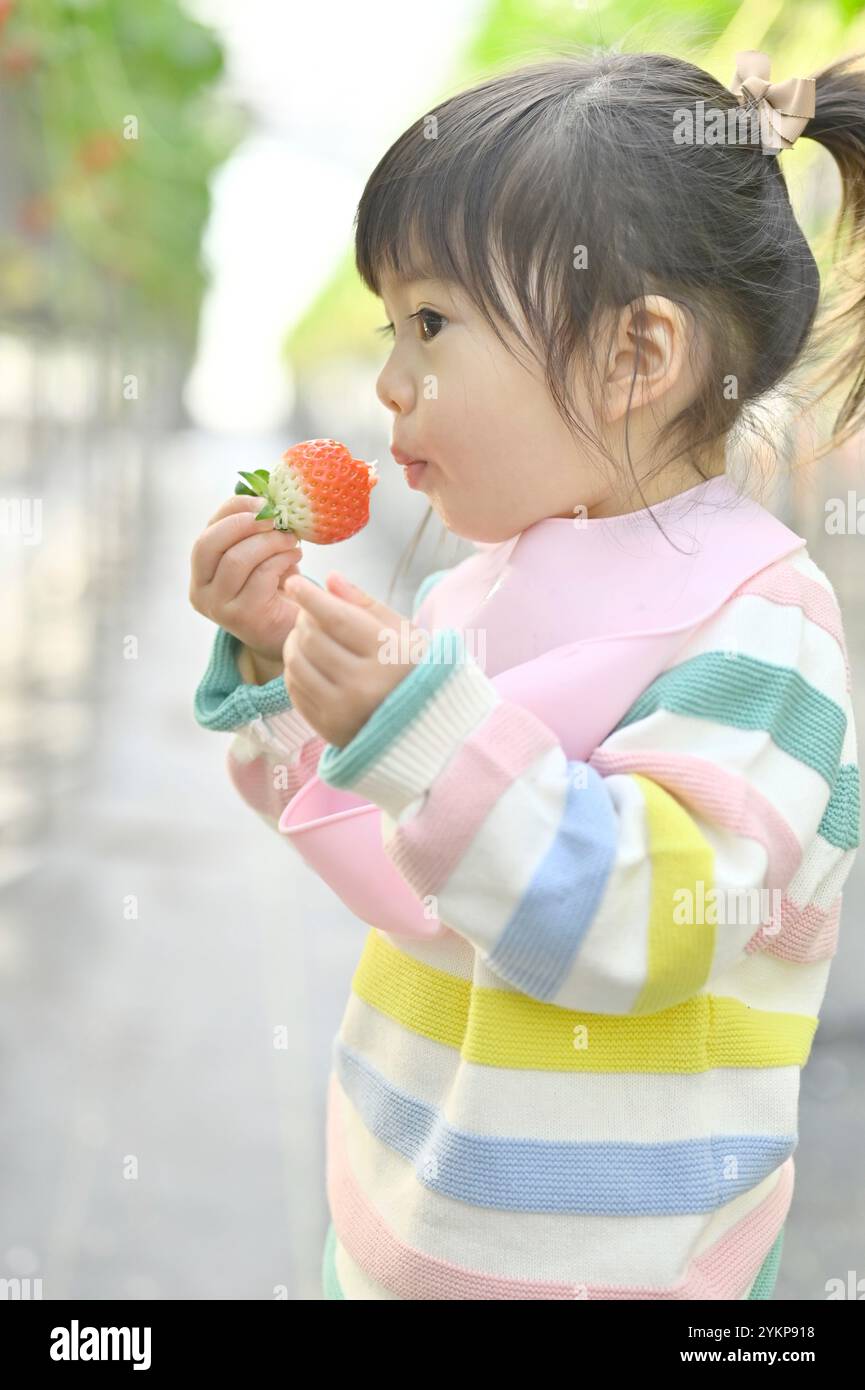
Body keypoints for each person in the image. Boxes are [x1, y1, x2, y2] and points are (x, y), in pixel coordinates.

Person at [189, 48, 863, 1299]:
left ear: (634, 353)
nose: (390, 381)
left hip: (628, 1277)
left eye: (430, 324)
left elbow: (643, 921)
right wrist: (287, 679)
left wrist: (417, 730)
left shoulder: (763, 632)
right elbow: (419, 876)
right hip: (395, 1241)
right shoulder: (479, 591)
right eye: (390, 328)